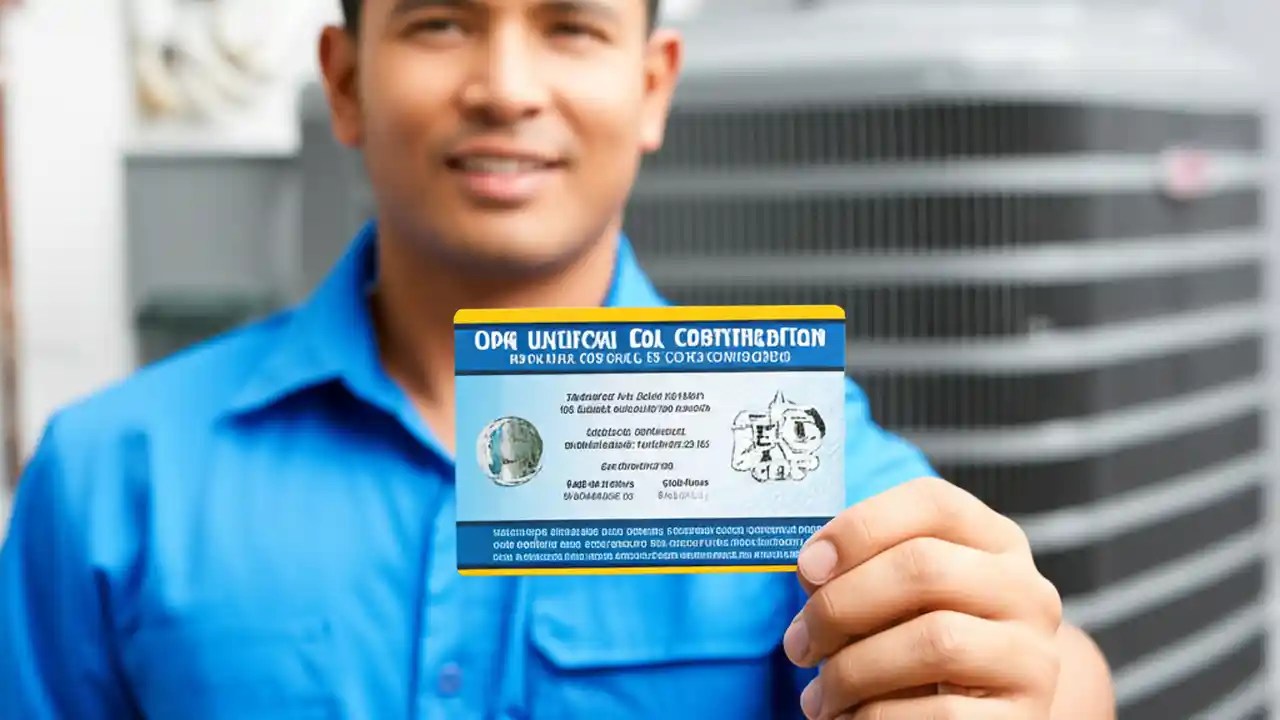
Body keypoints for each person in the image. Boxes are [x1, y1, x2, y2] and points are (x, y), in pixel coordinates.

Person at [0, 0, 1116, 717]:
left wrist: (1038, 686)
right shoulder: (107, 475)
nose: (504, 85)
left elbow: (1044, 669)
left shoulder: (792, 451)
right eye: (439, 21)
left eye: (571, 25)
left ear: (651, 86)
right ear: (343, 81)